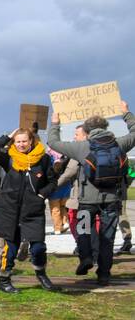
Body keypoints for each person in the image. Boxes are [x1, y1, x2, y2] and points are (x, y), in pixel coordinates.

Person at [46, 103, 135, 285]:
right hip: (111, 200)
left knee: (84, 230)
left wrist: (55, 123)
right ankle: (103, 274)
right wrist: (126, 113)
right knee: (107, 238)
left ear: (86, 131)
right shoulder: (119, 143)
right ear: (105, 128)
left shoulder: (81, 147)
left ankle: (86, 257)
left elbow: (53, 143)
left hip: (87, 201)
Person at [0, 127, 57, 293]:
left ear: (31, 141)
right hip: (10, 210)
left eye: (24, 141)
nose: (21, 144)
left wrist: (42, 195)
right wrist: (8, 136)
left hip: (33, 211)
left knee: (38, 246)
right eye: (18, 141)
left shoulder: (44, 159)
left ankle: (41, 273)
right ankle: (4, 280)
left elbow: (52, 182)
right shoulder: (9, 158)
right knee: (10, 247)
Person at [47, 151, 79, 236]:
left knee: (55, 210)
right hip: (66, 188)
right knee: (64, 207)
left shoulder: (49, 158)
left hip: (54, 190)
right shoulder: (66, 157)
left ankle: (57, 228)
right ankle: (65, 222)